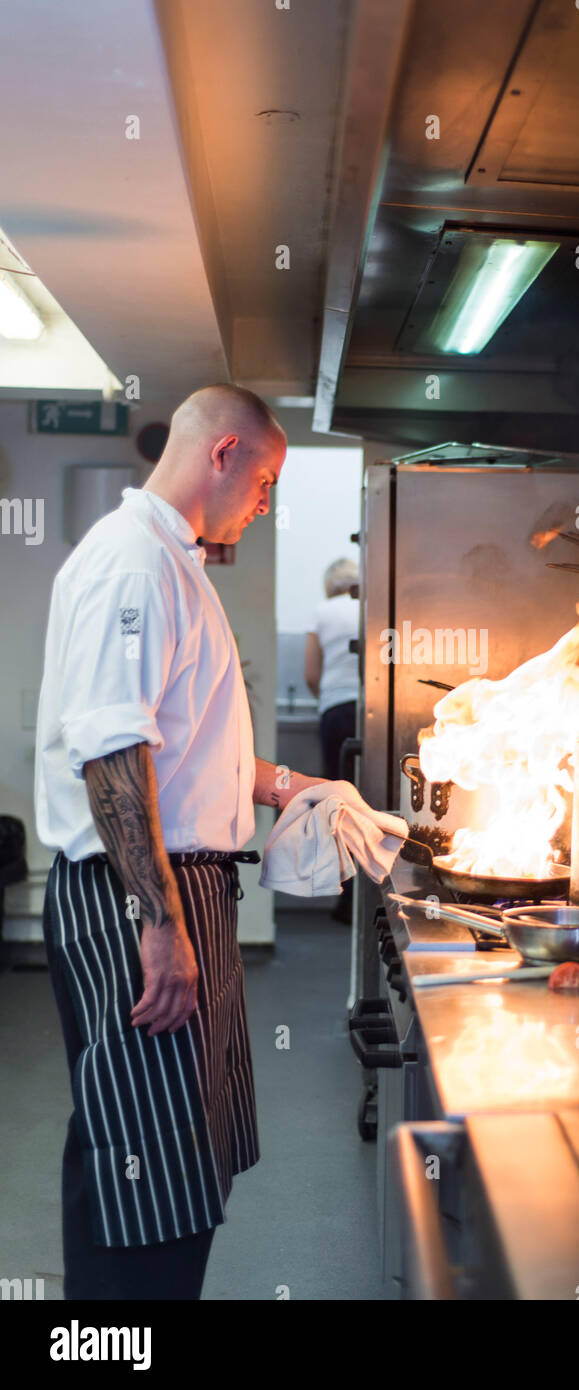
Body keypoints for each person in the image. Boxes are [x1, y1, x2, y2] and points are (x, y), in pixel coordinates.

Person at [34, 383, 328, 1300]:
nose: (266, 501)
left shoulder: (176, 563)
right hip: (137, 896)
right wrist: (157, 927)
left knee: (153, 1143)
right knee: (151, 1170)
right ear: (223, 452)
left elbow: (182, 742)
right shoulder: (135, 566)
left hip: (174, 886)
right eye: (267, 478)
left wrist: (293, 786)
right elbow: (115, 757)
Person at [305, 560, 359, 923]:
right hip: (373, 711)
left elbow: (311, 673)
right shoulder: (368, 607)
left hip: (337, 712)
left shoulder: (321, 612)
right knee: (370, 801)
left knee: (337, 805)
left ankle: (344, 899)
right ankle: (373, 893)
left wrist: (328, 698)